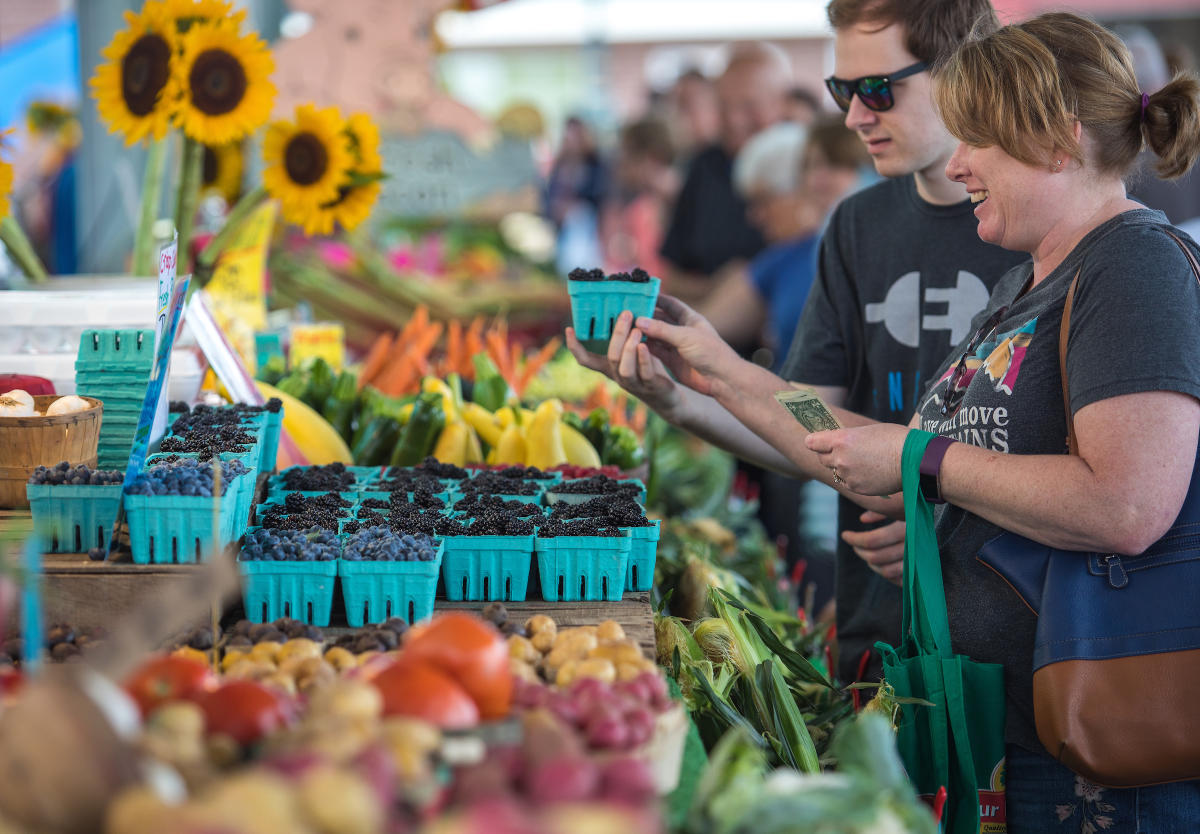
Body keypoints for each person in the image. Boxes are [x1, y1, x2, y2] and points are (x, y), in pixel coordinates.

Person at [800, 12, 1200, 827]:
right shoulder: (1032, 279)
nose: (958, 164)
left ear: (1058, 140)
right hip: (1017, 739)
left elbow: (1127, 506)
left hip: (1096, 760)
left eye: (978, 140)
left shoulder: (1133, 266)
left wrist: (923, 459)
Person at [569, 0, 1026, 686]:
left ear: (964, 73)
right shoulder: (856, 226)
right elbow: (811, 420)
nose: (853, 117)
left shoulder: (1036, 222)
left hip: (1027, 645)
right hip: (881, 633)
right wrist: (679, 398)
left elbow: (1105, 479)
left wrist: (955, 519)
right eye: (842, 91)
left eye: (877, 91)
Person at [703, 116, 871, 368]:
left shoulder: (877, 251)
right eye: (811, 167)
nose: (817, 179)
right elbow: (812, 386)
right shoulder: (801, 254)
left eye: (836, 164)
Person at [658, 43, 791, 311]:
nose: (734, 119)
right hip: (714, 336)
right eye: (723, 106)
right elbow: (673, 275)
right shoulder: (704, 167)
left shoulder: (810, 166)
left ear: (783, 103)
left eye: (748, 105)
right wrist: (724, 289)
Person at [602, 118, 678, 279]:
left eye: (627, 155)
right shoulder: (643, 202)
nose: (621, 164)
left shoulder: (673, 197)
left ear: (650, 156)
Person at [544, 116, 607, 275]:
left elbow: (599, 197)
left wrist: (574, 207)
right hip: (561, 230)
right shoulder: (560, 166)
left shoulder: (595, 165)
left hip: (588, 232)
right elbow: (548, 196)